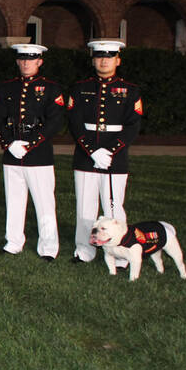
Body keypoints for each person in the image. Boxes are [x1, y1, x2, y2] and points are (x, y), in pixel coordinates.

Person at [66, 39, 143, 263]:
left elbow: (132, 126)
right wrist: (92, 151)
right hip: (85, 156)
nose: (103, 61)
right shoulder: (80, 88)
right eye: (99, 56)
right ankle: (84, 250)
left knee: (114, 207)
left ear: (117, 60)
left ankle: (120, 253)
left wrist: (109, 151)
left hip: (115, 159)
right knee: (84, 207)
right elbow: (75, 122)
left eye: (109, 57)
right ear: (93, 60)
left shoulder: (130, 90)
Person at [0, 43, 65, 260]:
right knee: (14, 201)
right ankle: (13, 242)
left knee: (44, 203)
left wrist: (30, 143)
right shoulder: (7, 87)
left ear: (39, 62)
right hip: (13, 152)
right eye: (22, 59)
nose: (26, 63)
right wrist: (9, 143)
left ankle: (49, 247)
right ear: (17, 61)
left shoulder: (51, 88)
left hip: (39, 154)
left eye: (31, 59)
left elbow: (55, 121)